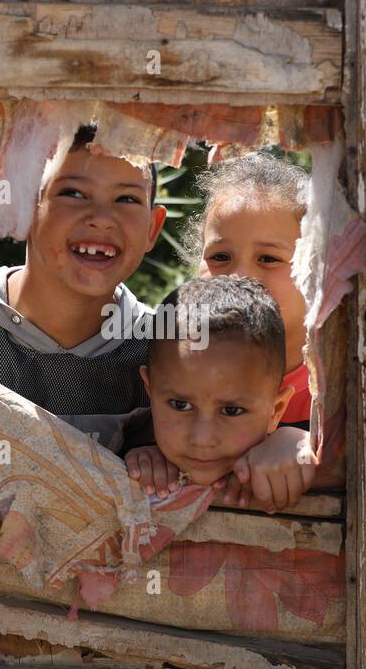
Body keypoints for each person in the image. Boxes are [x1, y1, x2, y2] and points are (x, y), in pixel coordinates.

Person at [0, 126, 166, 447]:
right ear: (24, 208)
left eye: (126, 199)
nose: (101, 218)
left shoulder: (161, 352)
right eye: (73, 193)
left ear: (153, 228)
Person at [128, 152, 318, 511]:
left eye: (269, 259)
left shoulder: (338, 383)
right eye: (219, 257)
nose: (240, 275)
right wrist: (148, 455)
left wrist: (300, 442)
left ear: (315, 268)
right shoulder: (171, 352)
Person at [124, 276, 295, 492]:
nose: (202, 440)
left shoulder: (291, 457)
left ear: (276, 411)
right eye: (180, 405)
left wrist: (296, 444)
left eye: (231, 410)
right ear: (150, 392)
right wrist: (139, 461)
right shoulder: (136, 457)